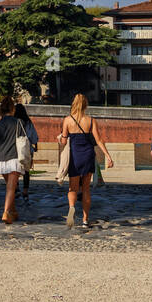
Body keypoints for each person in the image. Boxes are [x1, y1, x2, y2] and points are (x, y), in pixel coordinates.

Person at [59, 94, 113, 229]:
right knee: (86, 189)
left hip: (74, 156)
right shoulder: (91, 120)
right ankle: (85, 220)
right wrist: (108, 156)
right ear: (85, 105)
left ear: (73, 104)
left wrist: (60, 138)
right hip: (88, 154)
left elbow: (64, 142)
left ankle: (72, 207)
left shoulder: (67, 120)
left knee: (73, 187)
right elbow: (99, 140)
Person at [0, 97, 23, 223]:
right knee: (11, 188)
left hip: (1, 160)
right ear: (12, 109)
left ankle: (13, 211)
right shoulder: (18, 123)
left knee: (10, 186)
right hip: (15, 157)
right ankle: (6, 212)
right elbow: (24, 140)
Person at [13, 102, 39, 201]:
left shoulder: (14, 121)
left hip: (15, 148)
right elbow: (34, 136)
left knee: (15, 169)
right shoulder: (28, 122)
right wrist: (36, 145)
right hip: (27, 148)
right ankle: (25, 191)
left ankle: (16, 188)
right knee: (26, 171)